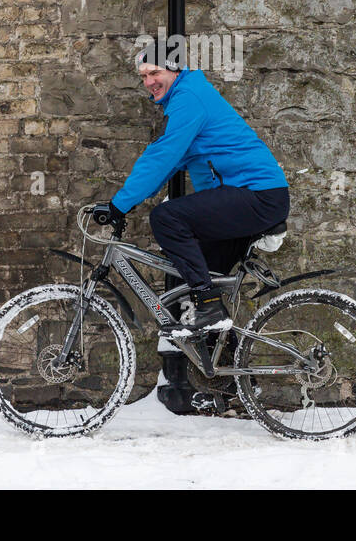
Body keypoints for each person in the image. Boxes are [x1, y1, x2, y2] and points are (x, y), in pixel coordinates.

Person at [94, 52, 289, 335]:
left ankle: (210, 308)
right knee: (202, 274)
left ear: (174, 71)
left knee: (165, 218)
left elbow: (163, 156)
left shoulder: (189, 98)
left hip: (259, 195)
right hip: (252, 196)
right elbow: (185, 162)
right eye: (143, 76)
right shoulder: (189, 97)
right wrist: (201, 205)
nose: (149, 81)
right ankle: (221, 359)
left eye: (154, 73)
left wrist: (118, 206)